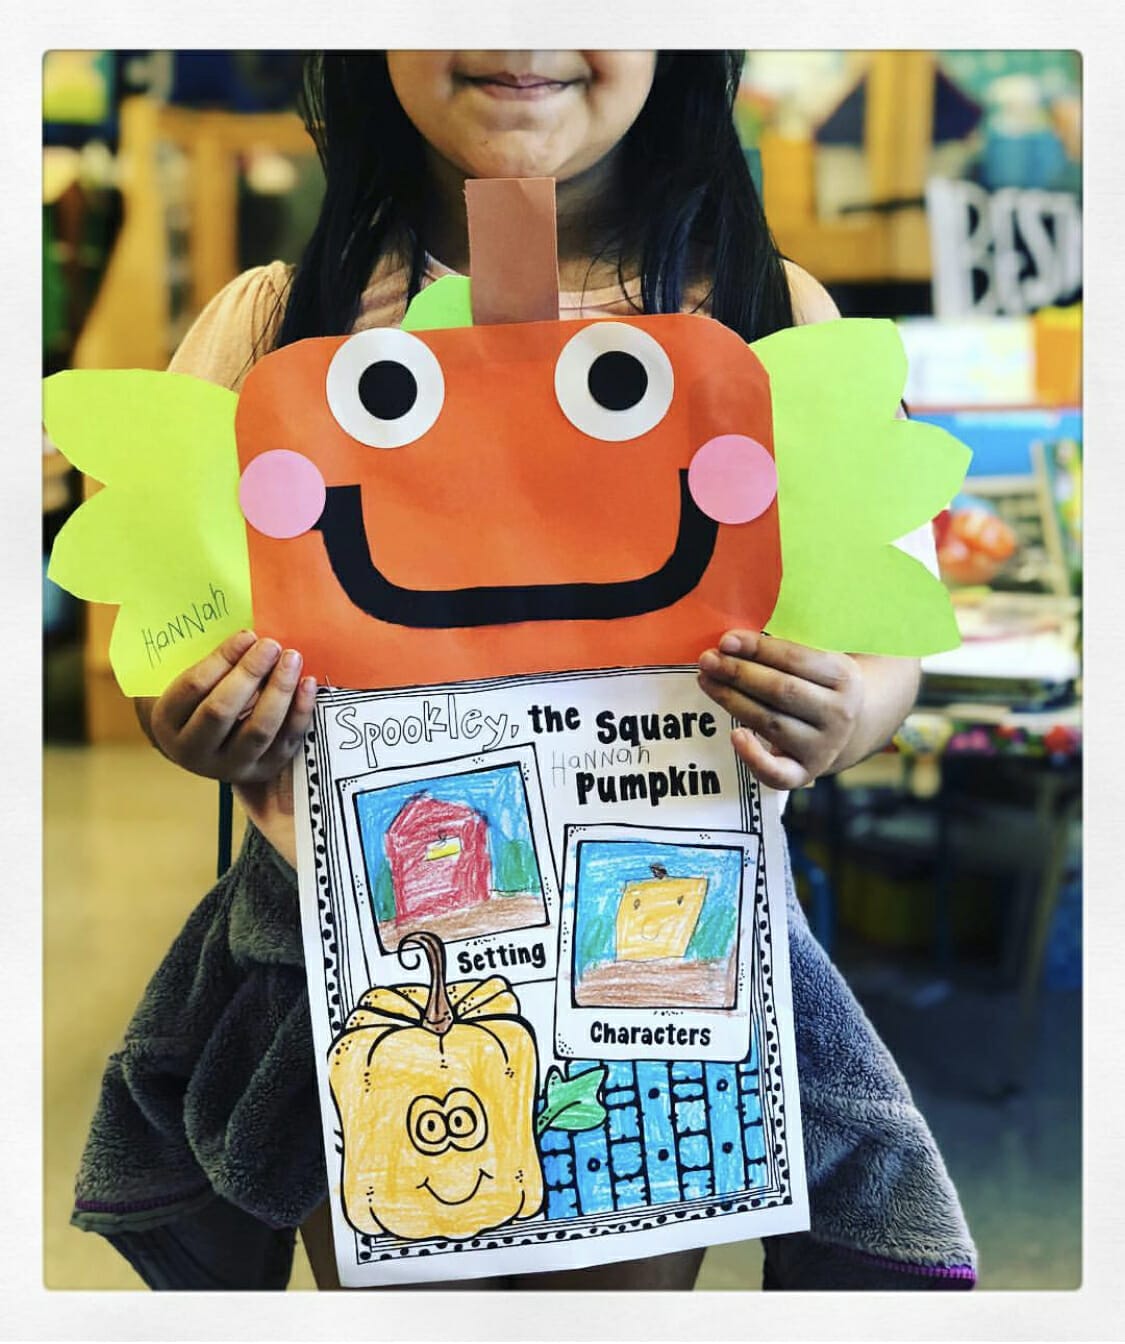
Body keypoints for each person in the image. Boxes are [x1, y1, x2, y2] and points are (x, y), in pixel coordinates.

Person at [72, 50, 977, 1292]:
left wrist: (847, 709)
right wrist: (198, 716)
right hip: (365, 983)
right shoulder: (278, 321)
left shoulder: (771, 316)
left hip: (663, 964)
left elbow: (888, 640)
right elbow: (163, 643)